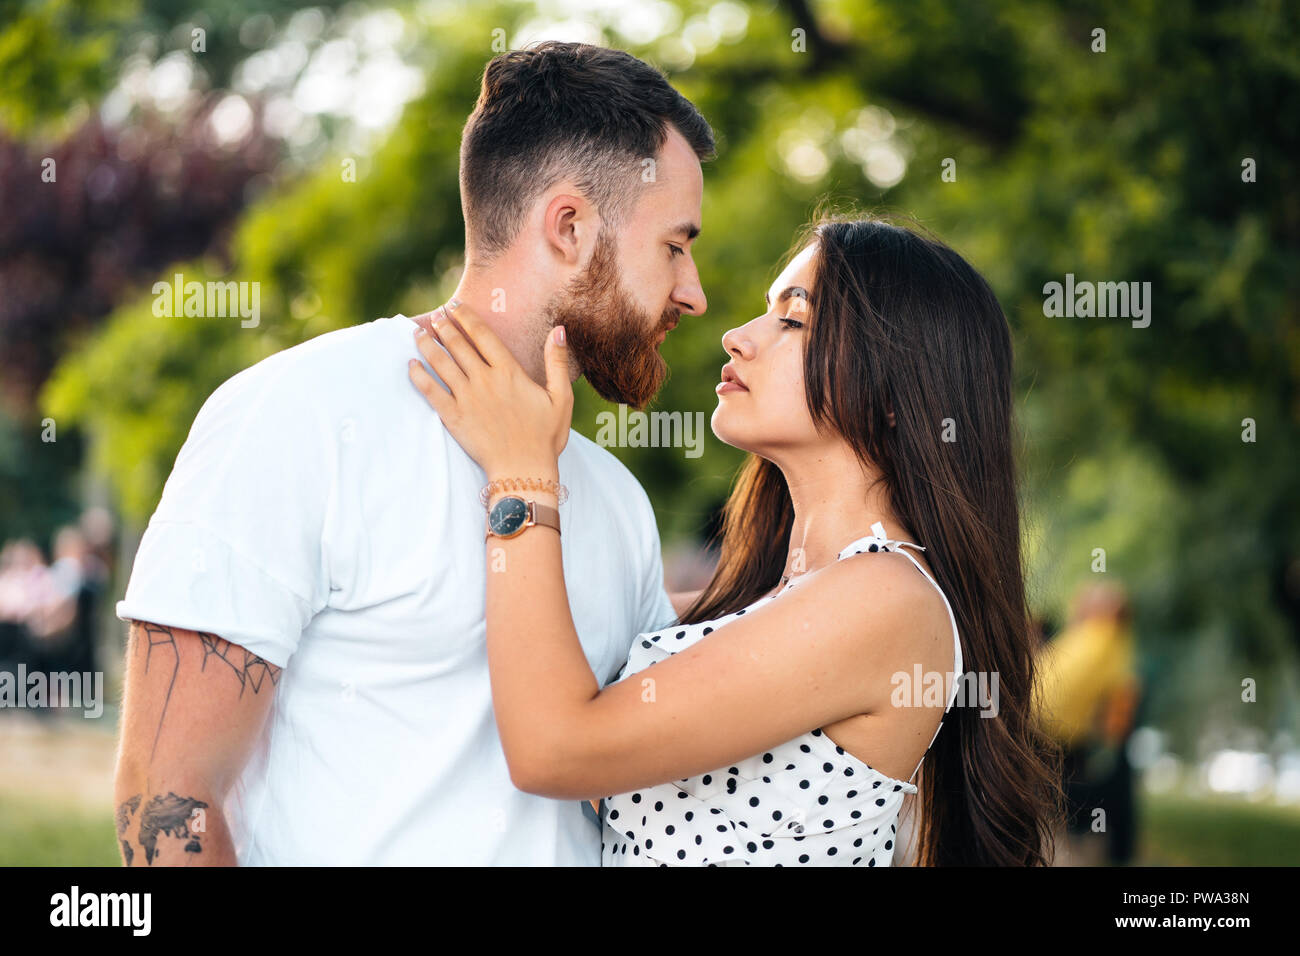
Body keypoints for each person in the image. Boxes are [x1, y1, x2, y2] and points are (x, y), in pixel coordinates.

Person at [112, 41, 713, 866]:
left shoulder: (615, 497)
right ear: (570, 228)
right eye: (675, 246)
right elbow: (166, 800)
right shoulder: (297, 417)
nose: (694, 292)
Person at [408, 215, 1064, 866]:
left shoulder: (886, 600)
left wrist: (522, 477)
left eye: (793, 320)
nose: (738, 337)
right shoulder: (776, 597)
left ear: (896, 390)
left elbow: (554, 750)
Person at [1037, 583, 1140, 865]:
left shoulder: (1094, 638)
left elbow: (1121, 697)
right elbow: (1121, 699)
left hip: (1043, 728)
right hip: (1059, 734)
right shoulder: (1105, 640)